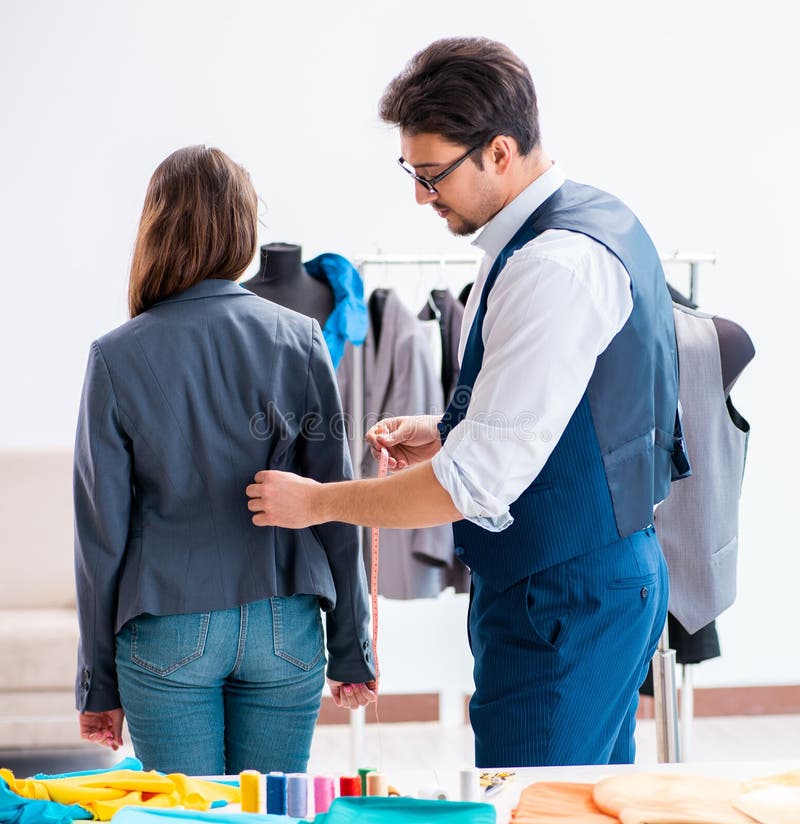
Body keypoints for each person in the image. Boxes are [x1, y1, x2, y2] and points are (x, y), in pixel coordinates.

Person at [246, 37, 683, 768]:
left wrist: (319, 504)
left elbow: (471, 483)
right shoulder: (591, 220)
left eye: (432, 173)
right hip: (589, 581)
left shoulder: (553, 268)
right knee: (582, 807)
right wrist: (451, 427)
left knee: (529, 806)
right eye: (411, 172)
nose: (420, 195)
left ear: (500, 152)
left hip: (561, 600)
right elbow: (572, 411)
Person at [73, 145, 376, 777]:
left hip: (167, 627)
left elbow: (100, 537)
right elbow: (336, 502)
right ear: (242, 229)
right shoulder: (300, 338)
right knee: (271, 815)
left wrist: (98, 684)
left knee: (190, 819)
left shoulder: (115, 357)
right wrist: (352, 648)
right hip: (285, 627)